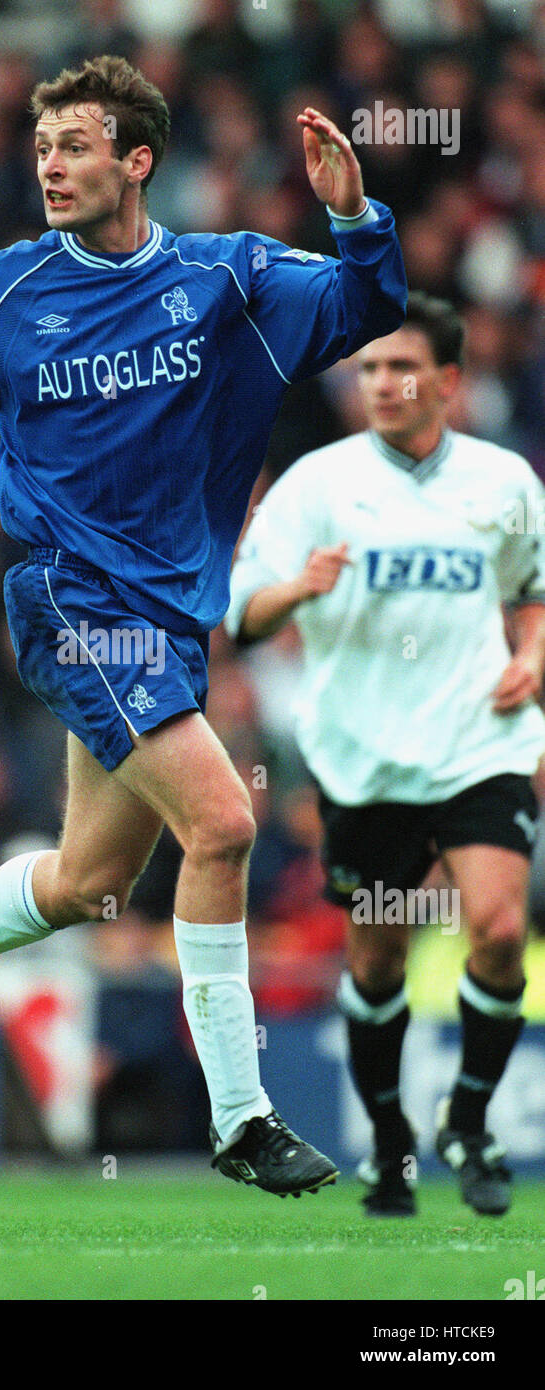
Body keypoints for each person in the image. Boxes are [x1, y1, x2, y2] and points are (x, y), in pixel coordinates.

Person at [0, 55, 406, 1198]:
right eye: (42, 147)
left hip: (167, 620)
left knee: (92, 883)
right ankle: (240, 1119)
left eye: (76, 144)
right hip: (66, 600)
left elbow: (359, 308)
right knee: (224, 824)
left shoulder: (223, 280)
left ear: (137, 160)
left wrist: (350, 217)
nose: (50, 164)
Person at [226, 291, 545, 1215]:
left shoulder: (503, 483)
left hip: (477, 740)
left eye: (400, 366)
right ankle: (390, 1140)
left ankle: (471, 1125)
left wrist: (528, 657)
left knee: (493, 927)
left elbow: (533, 592)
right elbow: (241, 615)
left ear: (447, 380)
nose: (380, 383)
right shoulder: (315, 486)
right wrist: (296, 590)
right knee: (375, 964)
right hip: (364, 760)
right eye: (367, 367)